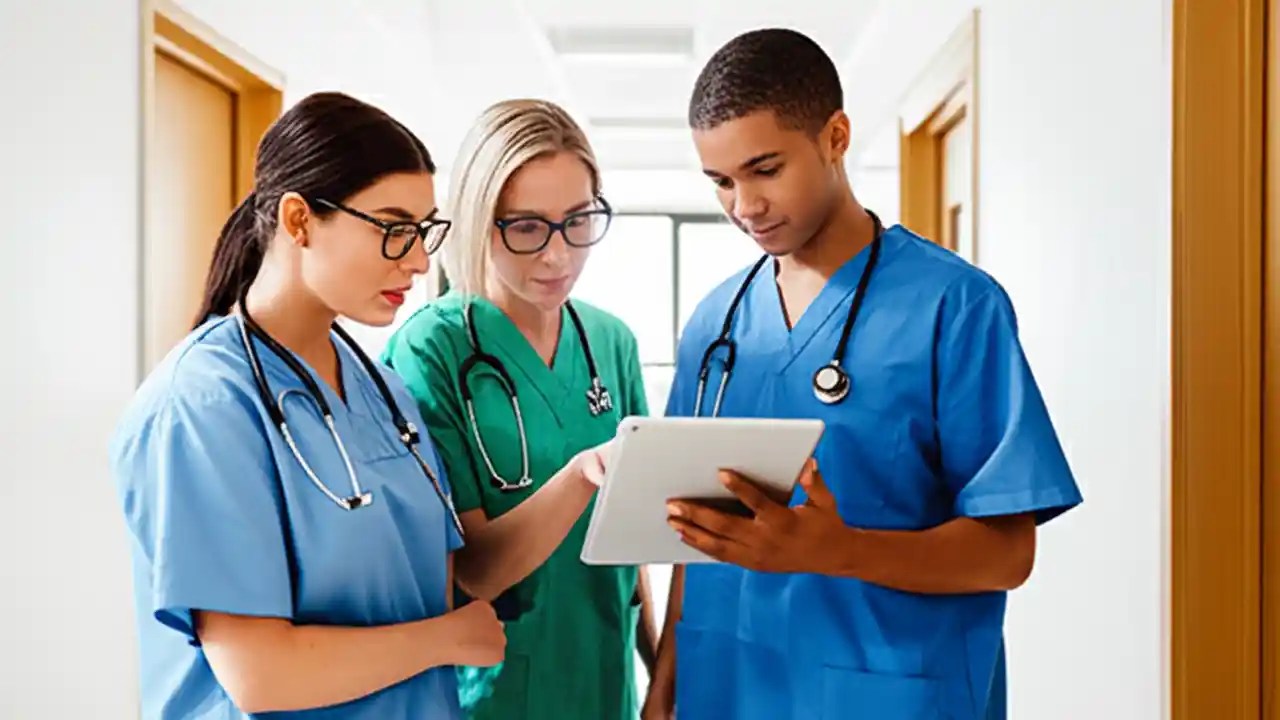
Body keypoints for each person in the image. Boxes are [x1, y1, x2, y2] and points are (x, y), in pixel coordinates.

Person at [643, 29, 1083, 720]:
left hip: (888, 691)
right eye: (722, 181)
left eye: (765, 168)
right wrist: (666, 678)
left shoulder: (954, 306)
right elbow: (697, 532)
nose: (744, 206)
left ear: (835, 136)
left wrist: (836, 550)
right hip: (727, 686)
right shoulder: (716, 323)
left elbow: (1007, 551)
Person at [109, 92, 511, 719]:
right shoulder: (203, 404)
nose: (419, 259)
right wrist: (444, 640)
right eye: (393, 228)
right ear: (298, 221)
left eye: (424, 229)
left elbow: (443, 575)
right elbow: (261, 676)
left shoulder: (382, 390)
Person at [381, 98, 657, 720]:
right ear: (481, 220)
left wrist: (655, 666)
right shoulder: (434, 346)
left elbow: (631, 540)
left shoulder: (610, 341)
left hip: (606, 680)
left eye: (579, 220)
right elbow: (472, 570)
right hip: (493, 693)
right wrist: (585, 472)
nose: (558, 255)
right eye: (527, 227)